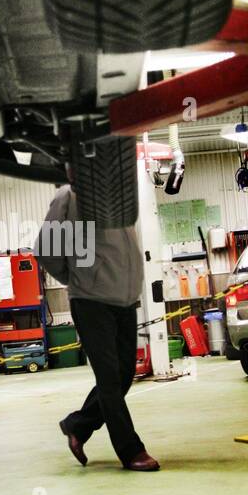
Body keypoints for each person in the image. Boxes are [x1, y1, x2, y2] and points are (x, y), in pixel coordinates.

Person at [34, 180, 160, 472]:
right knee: (109, 380)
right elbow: (47, 250)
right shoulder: (68, 195)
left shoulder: (116, 193)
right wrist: (78, 278)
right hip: (91, 301)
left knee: (125, 373)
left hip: (124, 299)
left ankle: (78, 425)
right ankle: (131, 451)